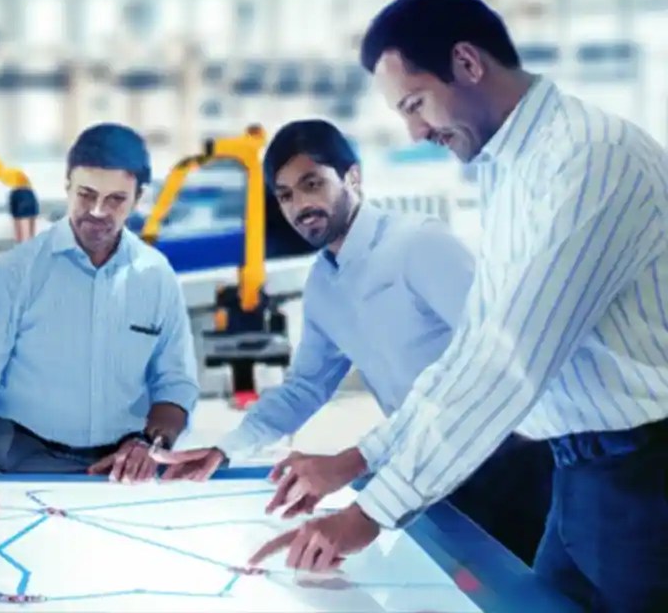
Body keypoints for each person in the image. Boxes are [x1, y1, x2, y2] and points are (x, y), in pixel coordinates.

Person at [249, 0, 668, 612]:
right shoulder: (510, 171)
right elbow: (472, 349)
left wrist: (372, 511)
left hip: (639, 481)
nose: (417, 130)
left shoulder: (586, 160)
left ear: (468, 64)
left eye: (416, 103)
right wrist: (360, 458)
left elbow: (506, 365)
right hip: (581, 472)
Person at [151, 119, 552, 564]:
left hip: (506, 463)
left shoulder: (419, 244)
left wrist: (353, 460)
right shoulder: (325, 281)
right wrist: (225, 447)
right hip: (423, 471)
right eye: (285, 195)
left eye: (312, 184)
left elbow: (494, 362)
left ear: (352, 177)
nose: (301, 205)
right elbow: (306, 386)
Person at [0, 123, 199, 481]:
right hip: (25, 453)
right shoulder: (17, 271)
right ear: (67, 186)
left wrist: (152, 443)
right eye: (86, 194)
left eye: (116, 199)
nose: (98, 211)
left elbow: (176, 382)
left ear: (138, 199)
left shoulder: (156, 276)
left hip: (122, 459)